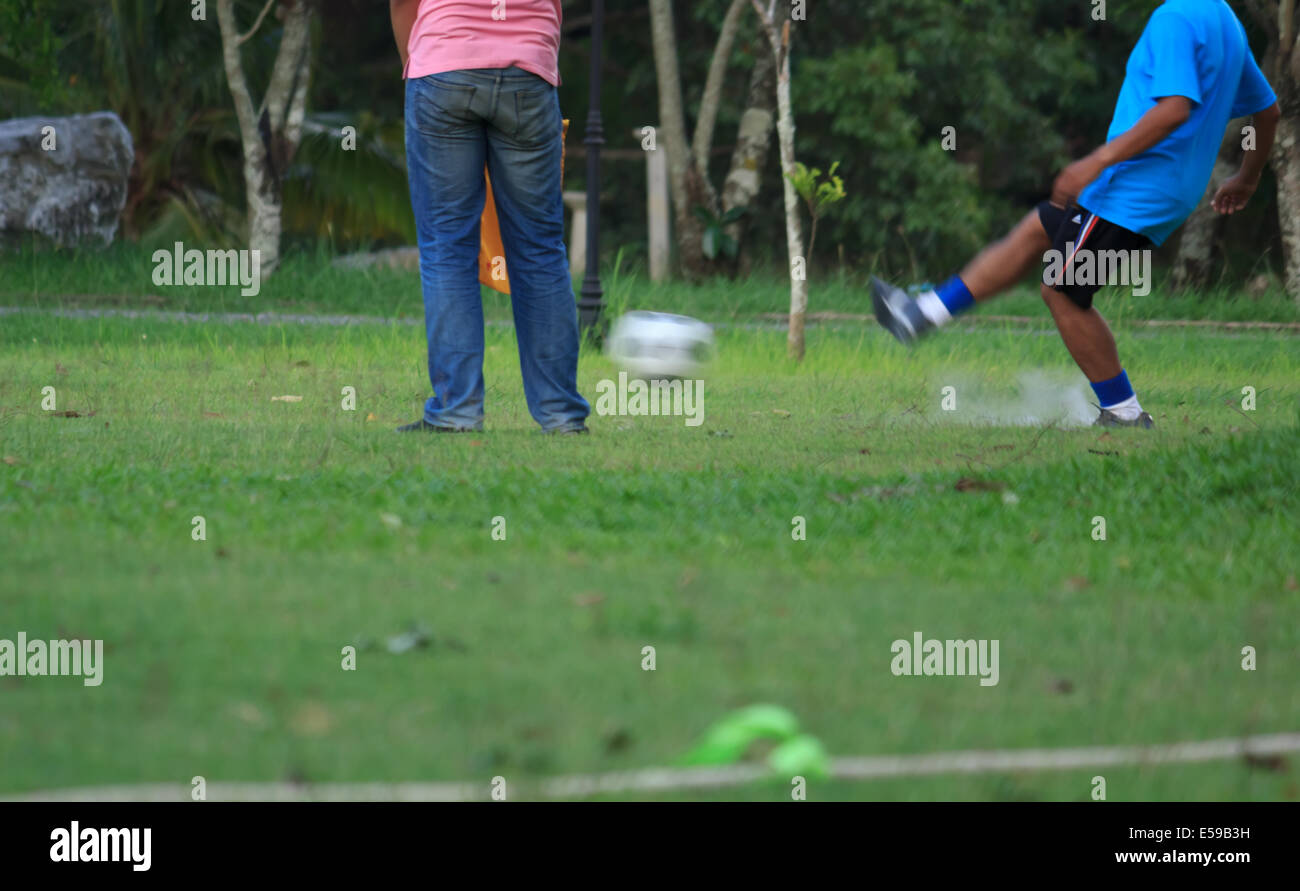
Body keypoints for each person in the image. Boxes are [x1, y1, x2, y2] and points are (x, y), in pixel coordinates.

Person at [872, 0, 1279, 428]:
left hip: (1133, 192)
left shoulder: (1176, 16)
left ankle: (1124, 412)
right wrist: (1247, 179)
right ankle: (923, 314)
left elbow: (1174, 109)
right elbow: (1267, 111)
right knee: (1039, 229)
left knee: (1063, 292)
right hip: (1156, 191)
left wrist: (1096, 161)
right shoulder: (1227, 22)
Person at [390, 0, 590, 433]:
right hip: (529, 72)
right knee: (539, 249)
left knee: (446, 247)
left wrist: (420, 62)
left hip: (443, 64)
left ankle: (457, 412)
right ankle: (560, 415)